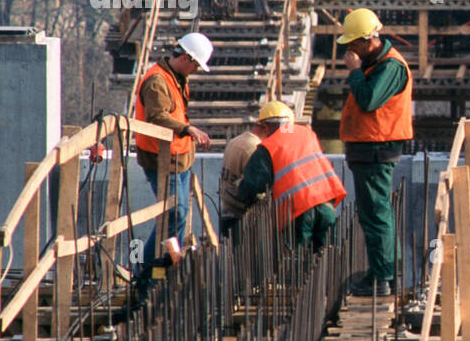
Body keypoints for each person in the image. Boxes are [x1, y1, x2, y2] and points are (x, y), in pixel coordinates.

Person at [337, 8, 413, 296]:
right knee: (373, 214)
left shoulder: (389, 67)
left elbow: (369, 100)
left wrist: (355, 72)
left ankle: (382, 278)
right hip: (369, 149)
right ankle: (380, 273)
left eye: (353, 45)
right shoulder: (377, 64)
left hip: (376, 150)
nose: (350, 50)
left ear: (368, 41)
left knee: (377, 214)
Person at [132, 31, 214, 295]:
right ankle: (148, 272)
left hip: (179, 159)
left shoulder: (177, 78)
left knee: (176, 218)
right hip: (160, 159)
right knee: (174, 213)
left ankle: (163, 270)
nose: (196, 71)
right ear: (187, 58)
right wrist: (187, 129)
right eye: (195, 65)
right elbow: (157, 116)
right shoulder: (157, 81)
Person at [231, 101, 347, 249]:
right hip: (326, 203)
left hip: (300, 210)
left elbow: (253, 184)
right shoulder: (307, 133)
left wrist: (241, 195)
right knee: (329, 255)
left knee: (300, 262)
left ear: (266, 127)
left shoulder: (269, 146)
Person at [218, 125, 261, 240]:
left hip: (228, 212)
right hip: (243, 220)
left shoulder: (236, 141)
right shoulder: (254, 148)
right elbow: (253, 188)